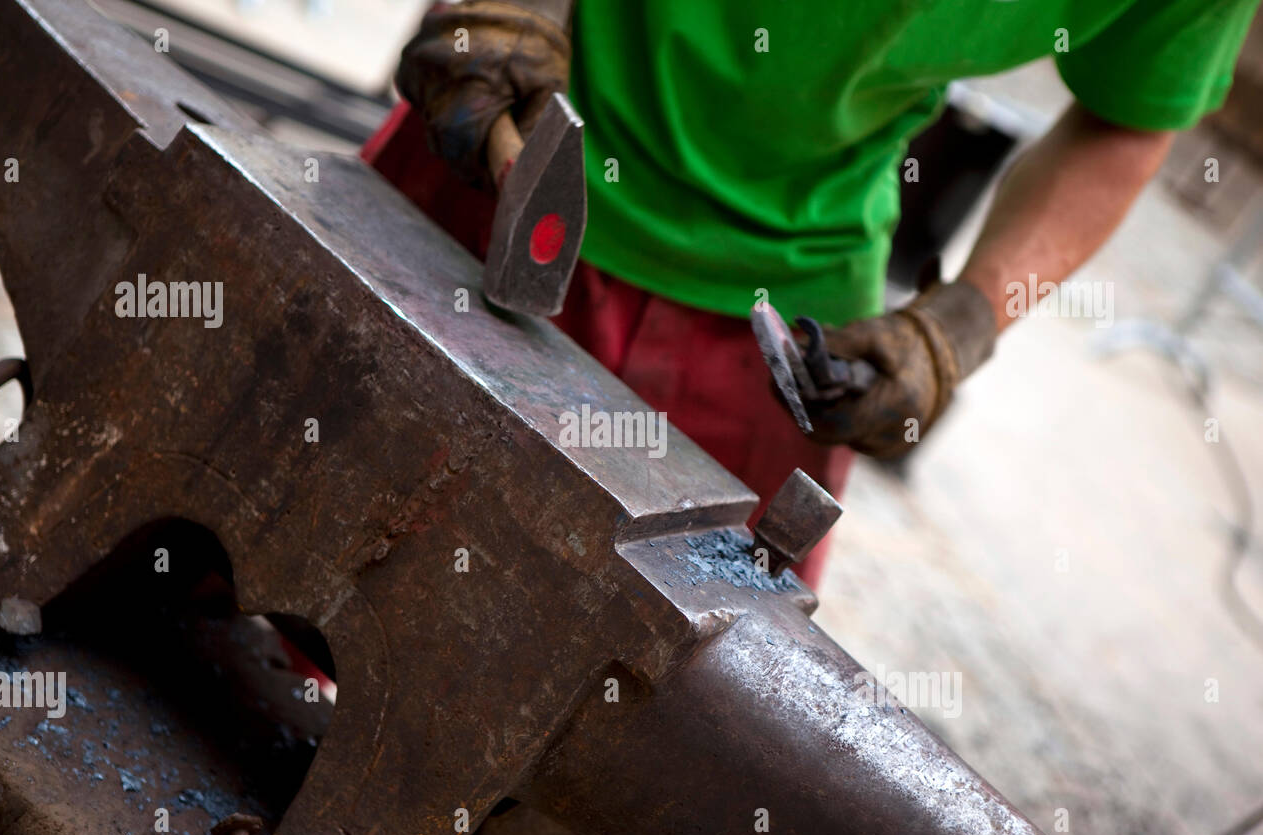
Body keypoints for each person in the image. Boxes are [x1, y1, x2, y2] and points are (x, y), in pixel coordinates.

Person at [368, 0, 1259, 585]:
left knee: (643, 735)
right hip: (514, 156)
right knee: (292, 557)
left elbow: (1129, 117)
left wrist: (965, 321)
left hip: (777, 329)